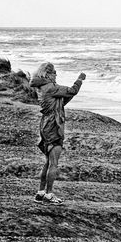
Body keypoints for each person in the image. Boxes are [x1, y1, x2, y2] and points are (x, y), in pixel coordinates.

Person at [29, 63, 85, 205]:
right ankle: (49, 195)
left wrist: (69, 94)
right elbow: (72, 90)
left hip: (45, 124)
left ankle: (40, 193)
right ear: (48, 74)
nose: (56, 75)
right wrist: (80, 79)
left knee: (48, 162)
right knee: (53, 163)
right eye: (54, 73)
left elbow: (62, 101)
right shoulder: (51, 87)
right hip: (54, 125)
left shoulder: (41, 87)